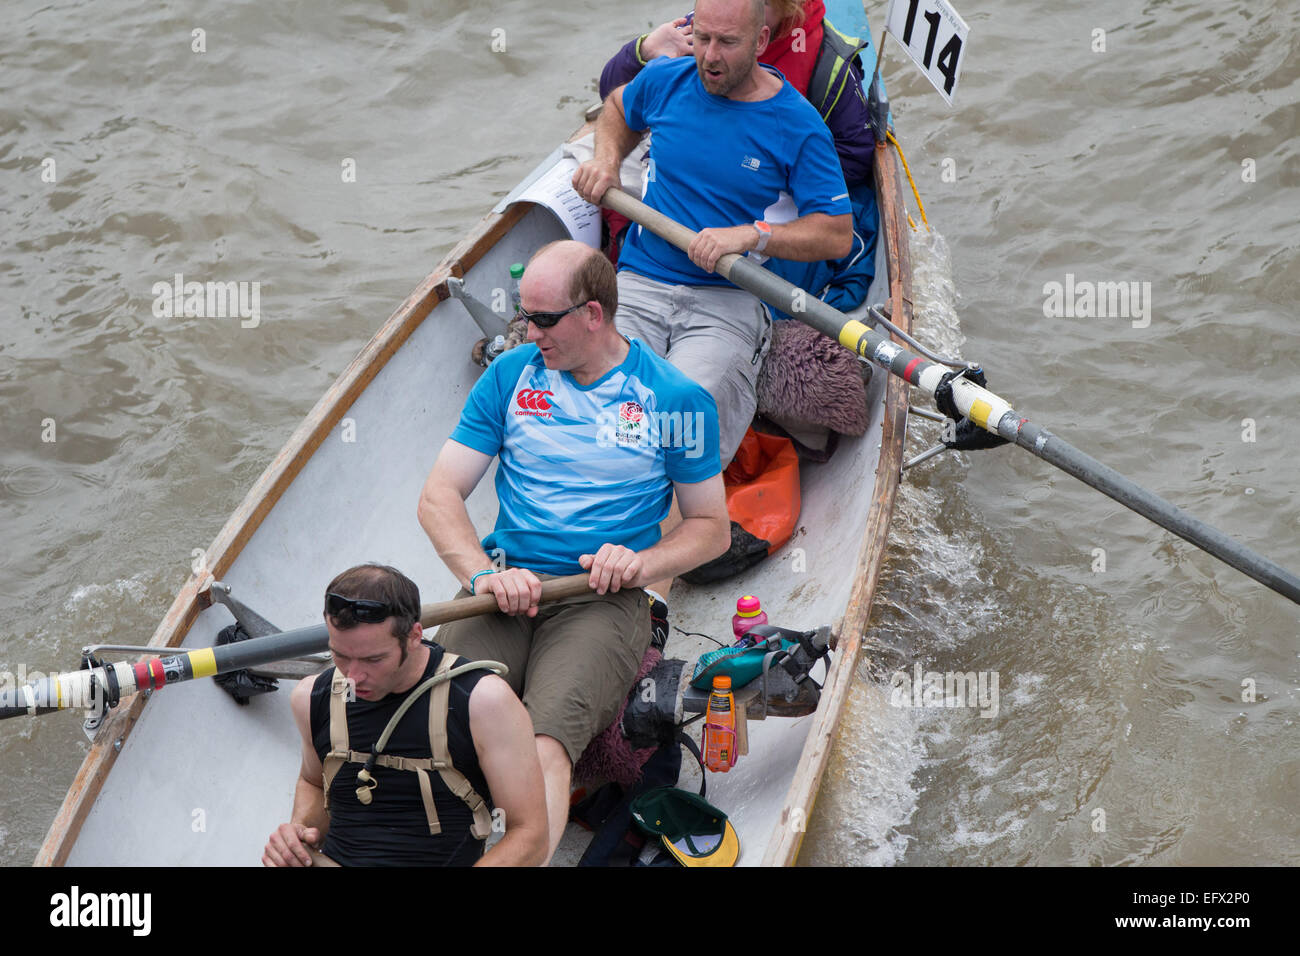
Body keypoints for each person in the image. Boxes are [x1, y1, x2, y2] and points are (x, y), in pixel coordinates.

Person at [416, 240, 730, 864]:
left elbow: (711, 529)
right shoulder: (509, 376)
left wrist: (639, 564)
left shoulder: (674, 399)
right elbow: (438, 496)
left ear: (594, 314)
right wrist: (479, 574)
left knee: (540, 746)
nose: (529, 334)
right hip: (505, 588)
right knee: (432, 726)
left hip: (601, 599)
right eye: (523, 318)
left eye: (543, 320)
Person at [572, 0, 854, 469]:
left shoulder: (798, 125)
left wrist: (751, 236)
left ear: (761, 42)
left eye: (727, 42)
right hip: (640, 282)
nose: (709, 56)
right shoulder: (668, 80)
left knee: (681, 419)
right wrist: (605, 161)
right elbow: (617, 108)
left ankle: (679, 524)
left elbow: (836, 234)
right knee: (610, 402)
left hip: (729, 299)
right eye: (702, 39)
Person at [261, 564, 549, 867]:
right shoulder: (311, 698)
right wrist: (298, 835)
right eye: (341, 656)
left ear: (414, 636)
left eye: (374, 659)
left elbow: (530, 835)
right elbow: (313, 782)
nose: (354, 677)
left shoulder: (483, 701)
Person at [599, 0, 875, 185]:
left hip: (762, 187)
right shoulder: (710, 21)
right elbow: (611, 96)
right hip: (680, 163)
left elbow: (855, 155)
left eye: (762, 2)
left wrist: (768, 176)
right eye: (706, 39)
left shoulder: (829, 66)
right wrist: (643, 51)